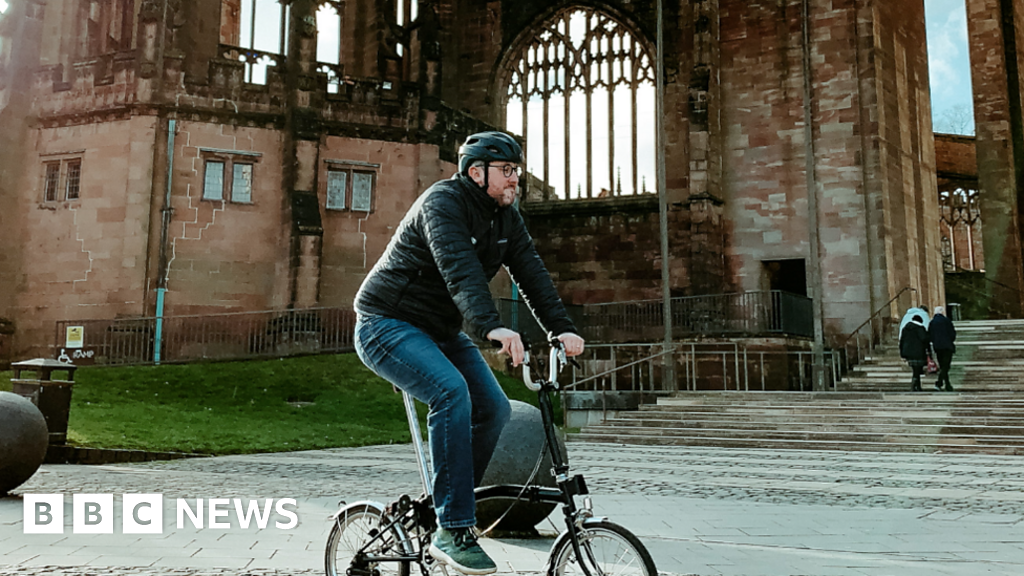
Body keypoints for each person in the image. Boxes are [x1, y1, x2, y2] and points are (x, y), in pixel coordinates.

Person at [353, 131, 585, 575]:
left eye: (517, 170)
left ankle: (445, 505)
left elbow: (533, 274)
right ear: (475, 173)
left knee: (494, 410)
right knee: (450, 393)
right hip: (386, 323)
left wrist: (562, 328)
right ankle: (454, 527)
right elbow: (459, 270)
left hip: (438, 330)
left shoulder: (506, 218)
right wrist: (491, 326)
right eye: (508, 171)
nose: (517, 179)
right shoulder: (442, 204)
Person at [928, 305, 957, 392]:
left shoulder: (932, 322)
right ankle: (940, 383)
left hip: (937, 347)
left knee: (942, 365)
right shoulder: (947, 321)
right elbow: (952, 333)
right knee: (946, 365)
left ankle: (946, 384)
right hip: (947, 346)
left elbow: (930, 335)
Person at [899, 314, 930, 392]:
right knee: (917, 369)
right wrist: (929, 351)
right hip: (918, 352)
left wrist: (902, 353)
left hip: (908, 352)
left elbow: (901, 341)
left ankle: (917, 385)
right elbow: (924, 339)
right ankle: (914, 384)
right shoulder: (920, 329)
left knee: (915, 369)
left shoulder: (905, 329)